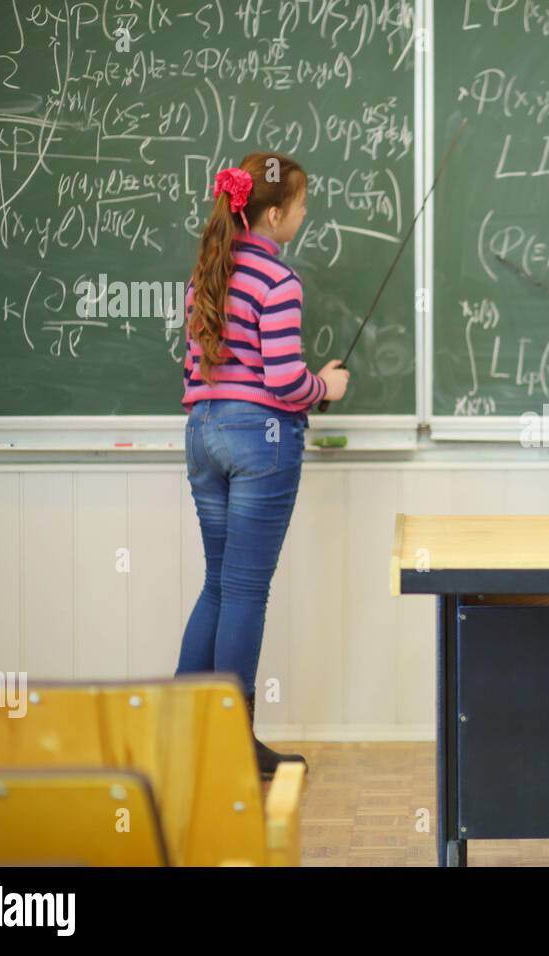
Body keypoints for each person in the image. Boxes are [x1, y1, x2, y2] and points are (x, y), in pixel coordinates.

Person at [176, 152, 349, 778]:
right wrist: (325, 388)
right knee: (246, 589)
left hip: (203, 432)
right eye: (301, 206)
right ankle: (232, 743)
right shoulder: (279, 283)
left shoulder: (207, 274)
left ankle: (182, 730)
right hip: (261, 437)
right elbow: (282, 379)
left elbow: (193, 369)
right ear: (273, 214)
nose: (304, 216)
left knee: (217, 582)